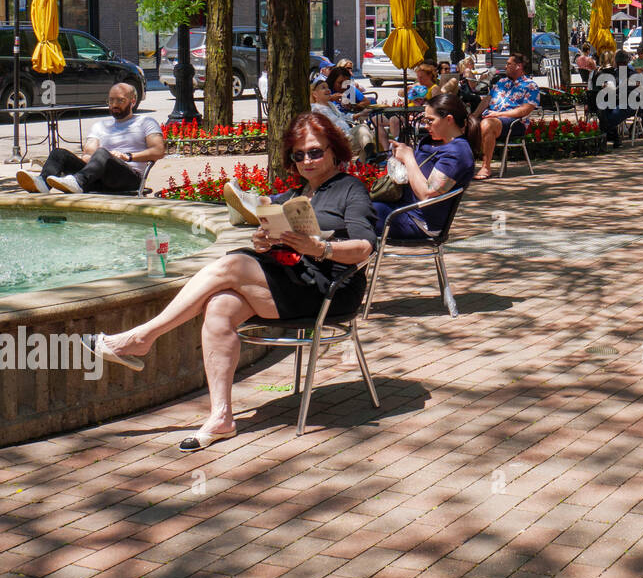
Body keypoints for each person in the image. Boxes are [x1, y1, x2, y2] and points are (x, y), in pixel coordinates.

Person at [86, 111, 376, 451]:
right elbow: (268, 239)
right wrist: (264, 240)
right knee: (219, 305)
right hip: (294, 282)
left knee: (233, 264)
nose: (307, 160)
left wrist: (320, 247)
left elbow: (364, 247)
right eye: (299, 155)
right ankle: (221, 417)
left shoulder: (349, 189)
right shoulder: (294, 196)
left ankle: (141, 338)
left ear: (334, 151)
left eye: (315, 151)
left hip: (331, 290)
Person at [18, 82, 164, 195]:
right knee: (59, 153)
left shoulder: (145, 122)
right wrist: (91, 156)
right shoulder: (100, 125)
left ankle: (78, 182)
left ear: (132, 101)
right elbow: (89, 153)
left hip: (128, 178)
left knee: (102, 153)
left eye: (120, 100)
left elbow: (158, 151)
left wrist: (128, 156)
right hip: (96, 178)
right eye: (111, 100)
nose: (114, 105)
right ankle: (43, 183)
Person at [372, 92, 476, 239]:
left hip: (420, 222)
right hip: (401, 210)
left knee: (356, 214)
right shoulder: (431, 142)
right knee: (350, 205)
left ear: (449, 120)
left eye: (430, 120)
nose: (426, 126)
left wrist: (408, 158)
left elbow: (426, 194)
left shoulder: (458, 153)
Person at [473, 52, 538, 179]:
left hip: (513, 122)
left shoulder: (530, 86)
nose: (505, 66)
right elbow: (487, 99)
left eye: (509, 64)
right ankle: (462, 166)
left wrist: (499, 114)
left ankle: (486, 167)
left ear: (518, 66)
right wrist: (473, 115)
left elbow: (525, 110)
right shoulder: (501, 82)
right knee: (462, 124)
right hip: (492, 117)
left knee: (487, 124)